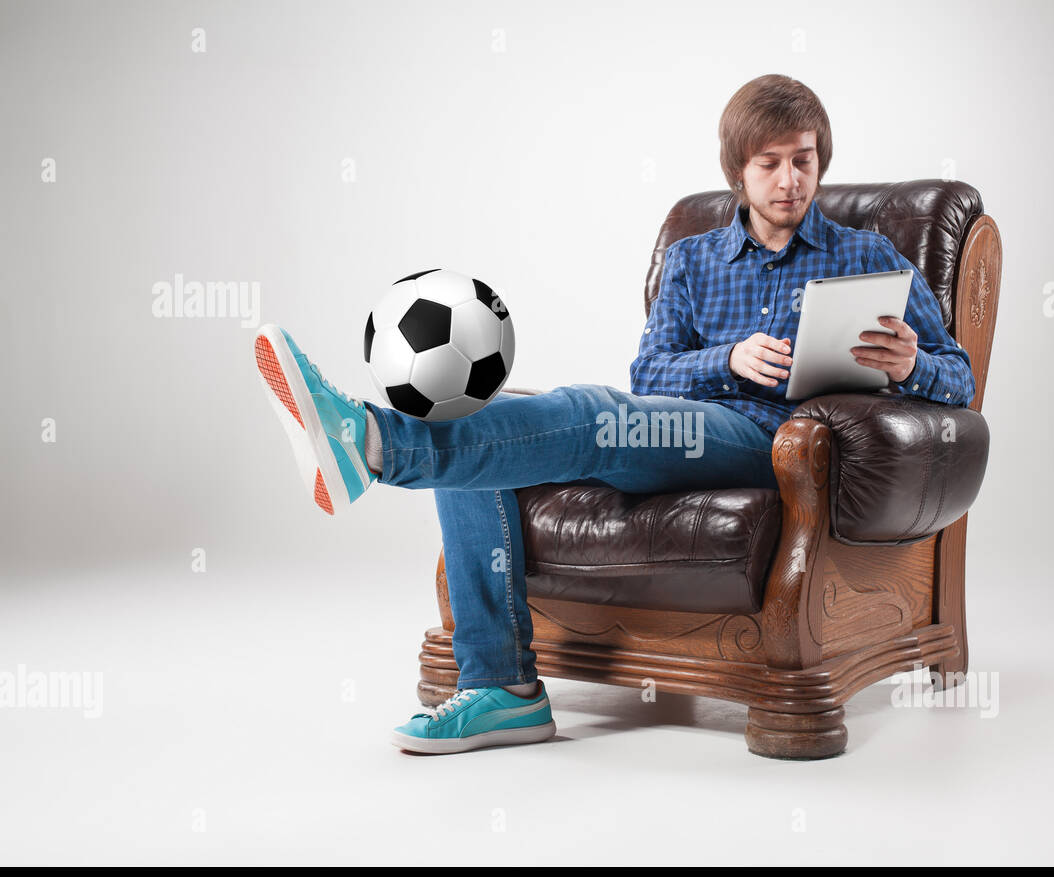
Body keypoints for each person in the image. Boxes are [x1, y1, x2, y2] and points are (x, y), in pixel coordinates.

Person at [252, 74, 976, 755]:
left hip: (775, 443)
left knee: (597, 415)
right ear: (739, 172)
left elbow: (960, 379)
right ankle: (502, 685)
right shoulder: (694, 261)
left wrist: (913, 364)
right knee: (488, 413)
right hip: (684, 423)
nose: (791, 180)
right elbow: (650, 370)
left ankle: (373, 441)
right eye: (770, 163)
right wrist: (726, 360)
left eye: (804, 161)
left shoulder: (866, 255)